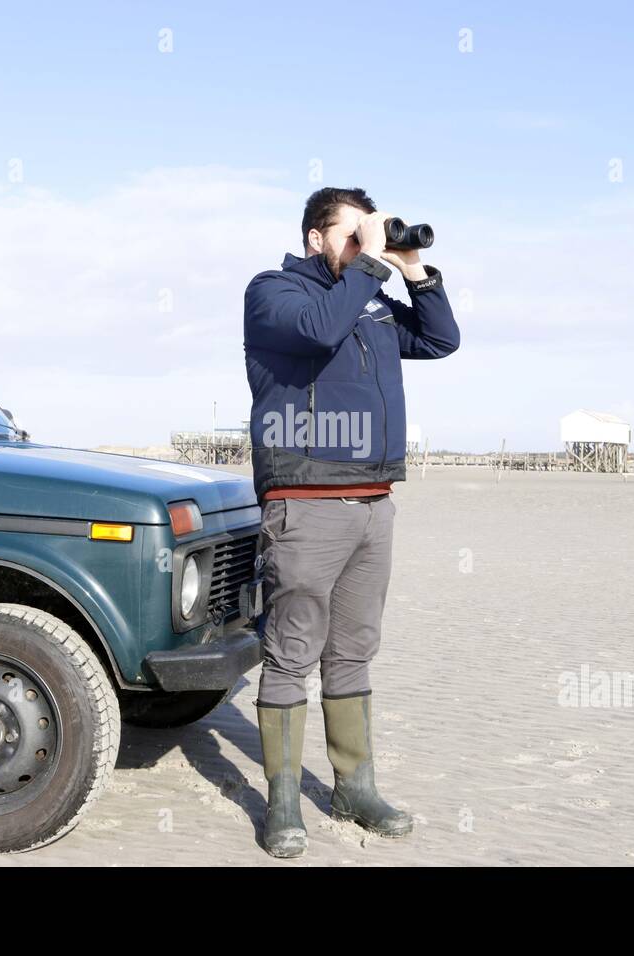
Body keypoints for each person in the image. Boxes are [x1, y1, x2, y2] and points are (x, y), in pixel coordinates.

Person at [242, 186, 460, 857]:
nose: (363, 243)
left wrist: (413, 268)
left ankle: (354, 786)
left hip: (373, 503)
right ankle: (281, 804)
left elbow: (440, 339)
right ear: (315, 237)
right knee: (291, 653)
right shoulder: (275, 293)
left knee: (355, 649)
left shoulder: (368, 301)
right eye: (350, 231)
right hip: (306, 502)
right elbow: (316, 332)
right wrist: (368, 262)